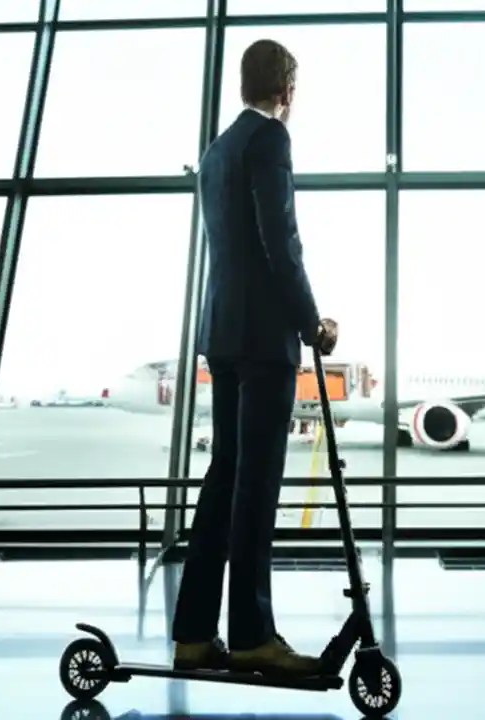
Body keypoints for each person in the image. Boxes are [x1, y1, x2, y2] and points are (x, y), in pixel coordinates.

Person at [171, 38, 338, 677]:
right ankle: (251, 635)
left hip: (223, 334)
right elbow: (280, 241)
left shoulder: (216, 150)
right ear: (287, 89)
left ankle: (193, 634)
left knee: (223, 480)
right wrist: (311, 322)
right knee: (257, 486)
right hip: (266, 339)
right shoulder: (270, 139)